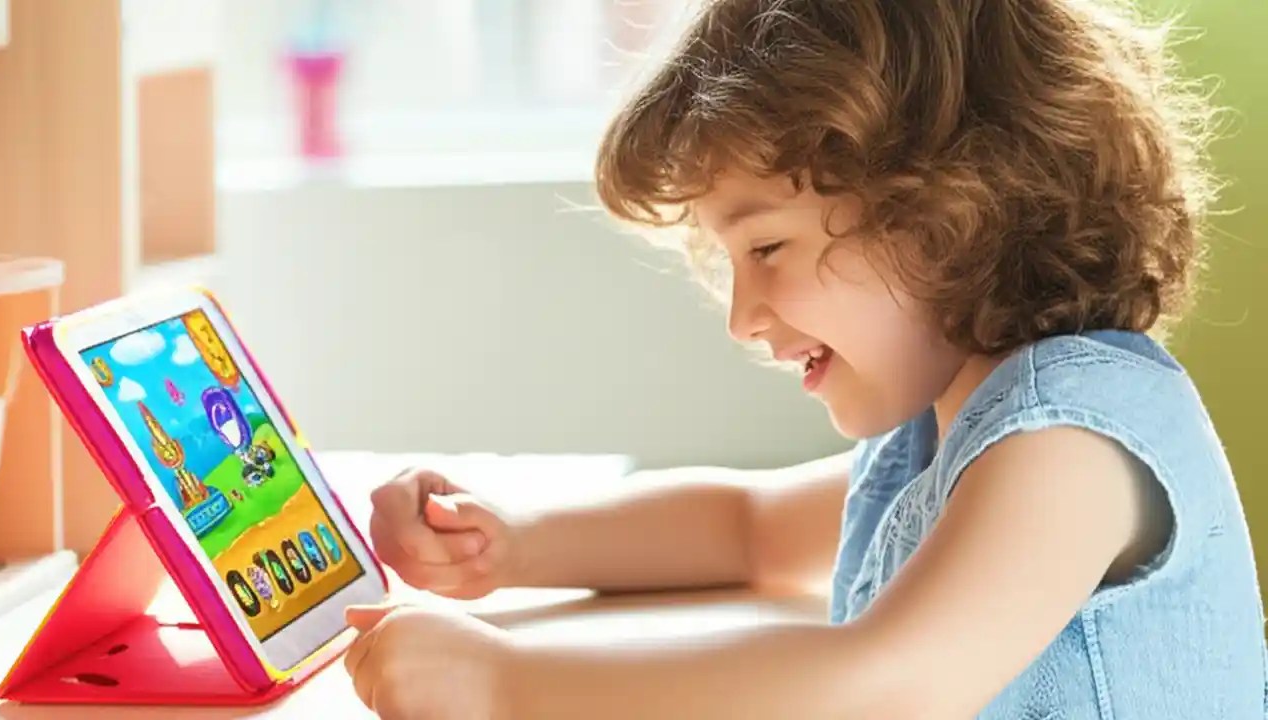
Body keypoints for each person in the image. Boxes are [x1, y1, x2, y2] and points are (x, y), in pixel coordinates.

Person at [342, 1, 1268, 717]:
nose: (744, 319)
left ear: (952, 209)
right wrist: (513, 543)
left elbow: (888, 687)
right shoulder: (948, 434)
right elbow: (748, 528)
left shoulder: (1069, 443)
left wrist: (505, 686)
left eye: (768, 251)